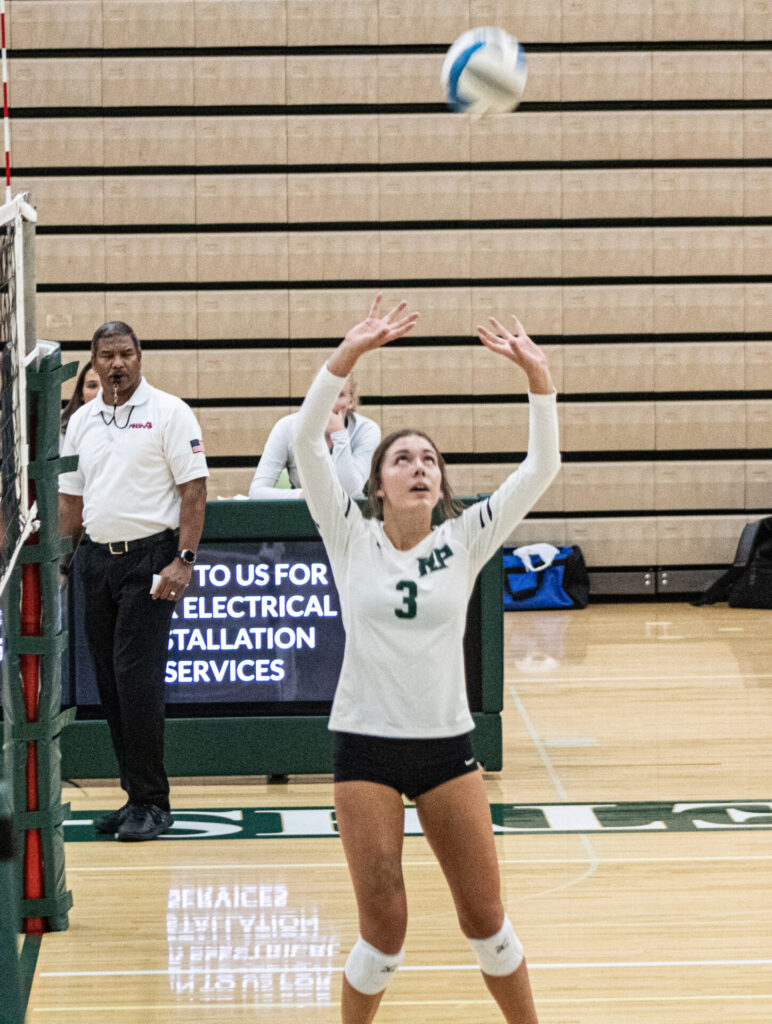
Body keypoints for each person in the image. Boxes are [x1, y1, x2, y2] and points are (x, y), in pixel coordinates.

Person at [293, 294, 560, 1024]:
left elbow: (542, 466)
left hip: (447, 751)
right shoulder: (349, 533)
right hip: (366, 750)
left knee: (489, 927)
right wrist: (346, 356)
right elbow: (304, 445)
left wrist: (538, 379)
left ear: (440, 482)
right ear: (377, 483)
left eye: (430, 460)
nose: (420, 467)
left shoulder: (467, 537)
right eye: (403, 459)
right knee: (384, 936)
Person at [58, 321, 209, 842]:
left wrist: (183, 559)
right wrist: (61, 563)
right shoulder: (81, 422)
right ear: (94, 363)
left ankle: (152, 801)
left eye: (125, 353)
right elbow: (70, 500)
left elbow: (195, 490)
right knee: (110, 684)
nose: (116, 363)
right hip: (96, 562)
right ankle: (134, 797)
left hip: (151, 560)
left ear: (139, 356)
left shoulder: (169, 412)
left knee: (136, 680)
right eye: (107, 356)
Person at [248, 373, 380, 500]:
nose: (330, 401)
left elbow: (351, 493)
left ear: (351, 401)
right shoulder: (288, 427)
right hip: (302, 510)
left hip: (350, 516)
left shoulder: (366, 430)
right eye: (325, 393)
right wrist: (304, 495)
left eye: (339, 394)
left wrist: (339, 433)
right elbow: (257, 491)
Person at [60, 359, 100, 434]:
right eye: (92, 386)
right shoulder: (63, 434)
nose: (100, 393)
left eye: (107, 386)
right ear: (81, 393)